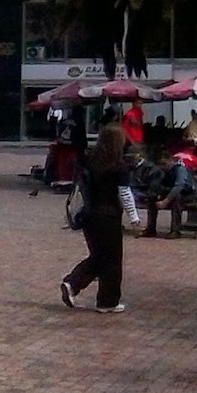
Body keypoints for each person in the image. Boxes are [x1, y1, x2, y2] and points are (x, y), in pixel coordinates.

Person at [61, 122, 142, 312]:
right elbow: (125, 194)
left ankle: (74, 284)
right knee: (112, 260)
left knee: (99, 255)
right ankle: (107, 300)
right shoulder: (118, 167)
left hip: (89, 215)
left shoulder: (89, 161)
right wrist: (134, 217)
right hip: (109, 216)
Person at [143, 145, 197, 239]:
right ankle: (150, 229)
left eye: (164, 164)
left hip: (188, 194)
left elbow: (179, 187)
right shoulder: (163, 171)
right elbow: (158, 184)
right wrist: (157, 194)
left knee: (177, 198)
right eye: (160, 164)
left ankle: (175, 230)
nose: (162, 167)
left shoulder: (180, 169)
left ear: (170, 160)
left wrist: (165, 201)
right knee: (152, 197)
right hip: (171, 192)